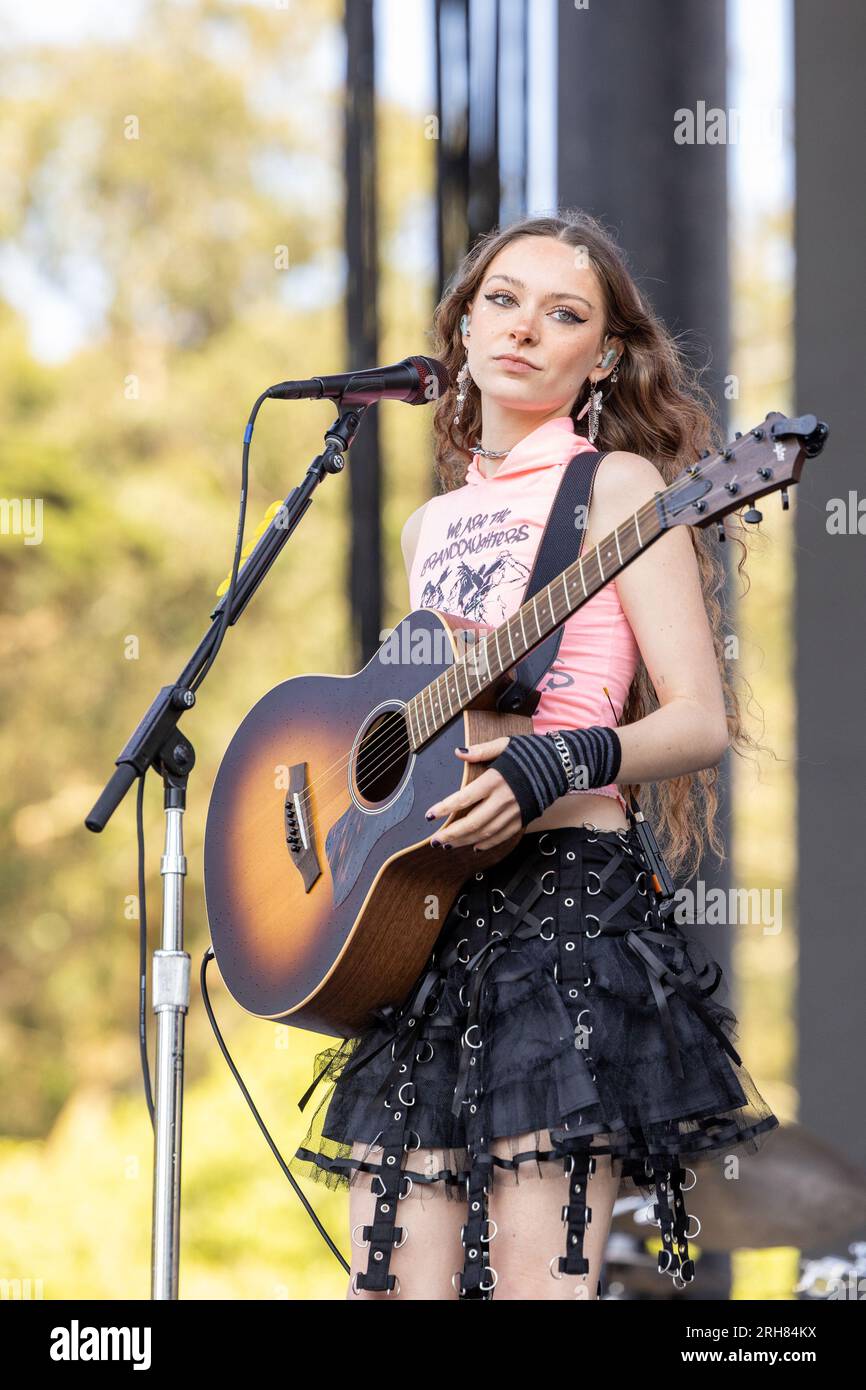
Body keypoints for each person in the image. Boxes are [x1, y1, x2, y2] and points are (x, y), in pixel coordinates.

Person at [289, 209, 780, 1300]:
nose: (523, 329)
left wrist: (549, 764)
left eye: (563, 314)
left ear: (599, 357)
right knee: (394, 1286)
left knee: (534, 1285)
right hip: (424, 919)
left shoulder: (616, 489)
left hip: (565, 915)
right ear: (459, 330)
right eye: (500, 301)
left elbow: (697, 718)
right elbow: (421, 726)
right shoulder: (431, 527)